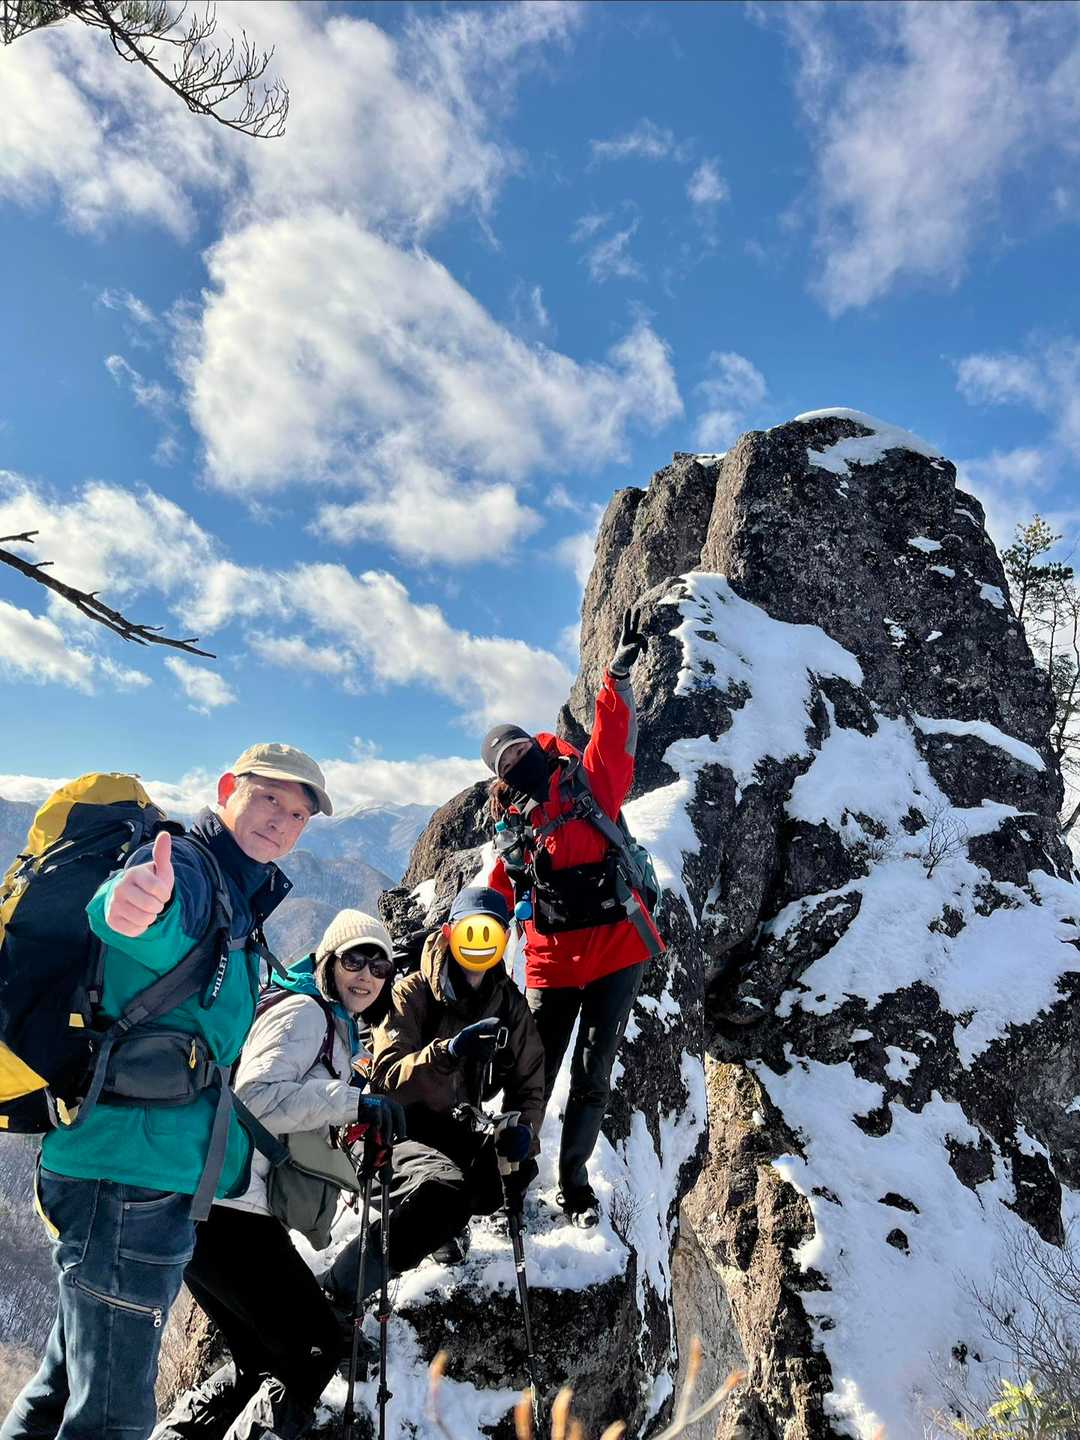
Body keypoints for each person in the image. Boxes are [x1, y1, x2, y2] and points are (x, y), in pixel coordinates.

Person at [1, 744, 331, 1440]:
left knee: (63, 1386)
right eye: (270, 797)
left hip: (129, 1173)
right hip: (128, 1183)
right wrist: (132, 907)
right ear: (227, 789)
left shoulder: (240, 896)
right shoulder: (185, 867)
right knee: (114, 1417)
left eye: (298, 813)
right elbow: (139, 913)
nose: (282, 820)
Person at [153, 909, 406, 1440]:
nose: (366, 975)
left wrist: (358, 1127)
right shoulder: (306, 1015)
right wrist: (350, 1103)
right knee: (315, 1352)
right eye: (354, 960)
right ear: (328, 962)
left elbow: (298, 1117)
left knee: (253, 1357)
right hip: (227, 1210)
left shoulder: (335, 1026)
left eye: (378, 965)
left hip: (211, 1208)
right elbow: (255, 1097)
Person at [482, 607, 663, 1228]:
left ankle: (575, 1185)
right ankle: (511, 1182)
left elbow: (614, 741)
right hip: (553, 961)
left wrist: (615, 678)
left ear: (534, 745)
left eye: (519, 754)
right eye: (504, 764)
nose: (516, 767)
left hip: (615, 950)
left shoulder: (588, 784)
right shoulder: (511, 824)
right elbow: (500, 891)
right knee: (531, 1076)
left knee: (592, 1073)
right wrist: (461, 941)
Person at [326, 886, 545, 1306]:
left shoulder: (506, 1002)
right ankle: (338, 1289)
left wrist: (523, 1130)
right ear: (449, 932)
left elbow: (530, 1080)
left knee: (507, 1176)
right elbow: (389, 1078)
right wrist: (449, 1052)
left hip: (449, 1123)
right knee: (444, 1196)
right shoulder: (410, 993)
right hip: (389, 1124)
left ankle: (437, 1223)